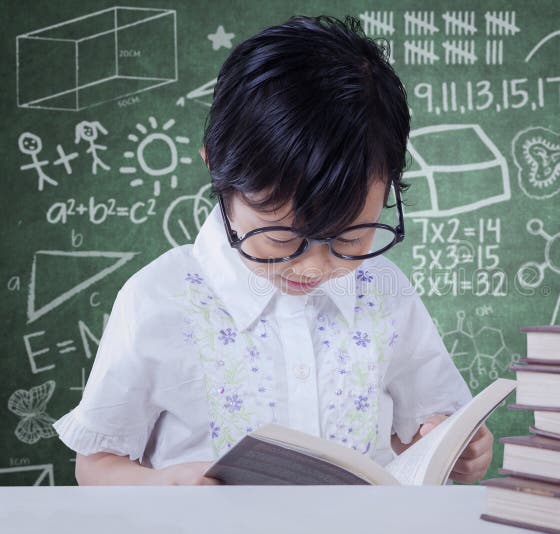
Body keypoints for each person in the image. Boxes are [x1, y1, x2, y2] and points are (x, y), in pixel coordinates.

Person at [53, 15, 493, 485]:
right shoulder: (158, 298)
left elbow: (421, 434)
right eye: (282, 238)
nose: (316, 265)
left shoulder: (385, 291)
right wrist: (163, 485)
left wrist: (453, 448)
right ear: (218, 170)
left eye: (349, 238)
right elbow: (95, 466)